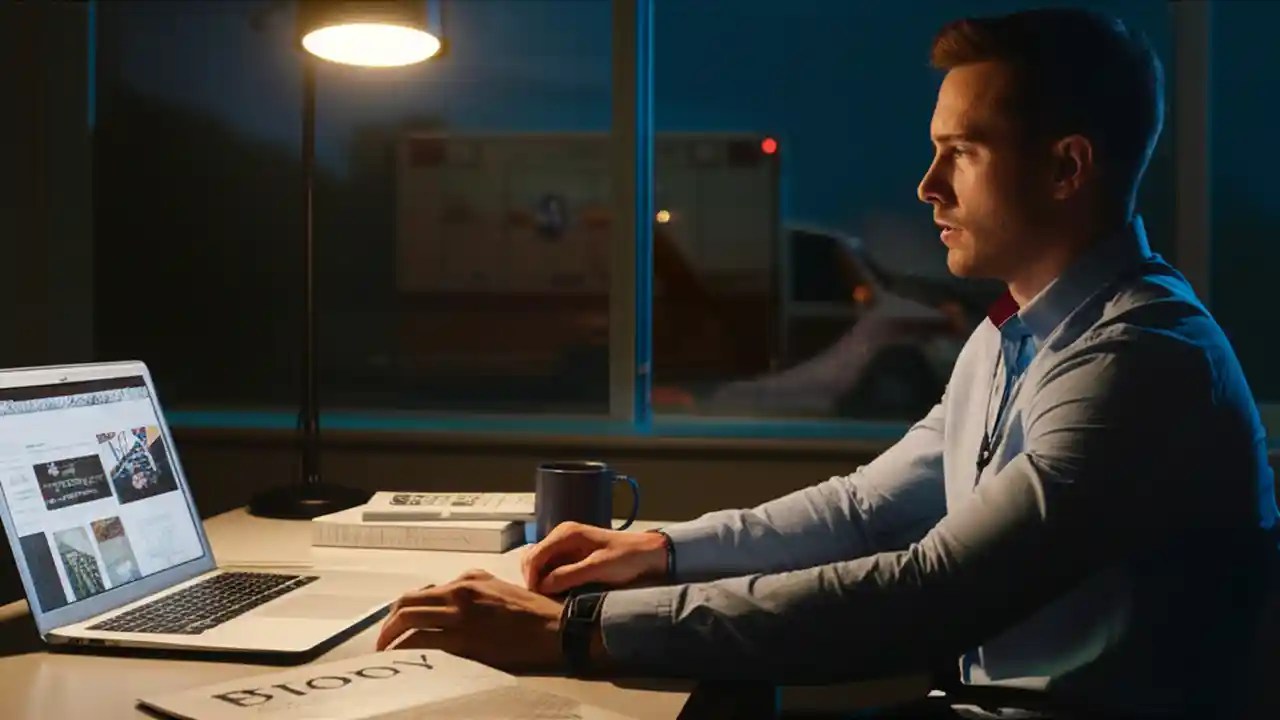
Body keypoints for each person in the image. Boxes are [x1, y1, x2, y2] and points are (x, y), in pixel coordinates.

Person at [375, 8, 1279, 718]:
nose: (928, 185)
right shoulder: (1017, 335)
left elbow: (925, 595)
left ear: (1067, 168)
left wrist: (576, 631)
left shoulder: (1139, 362)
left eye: (960, 152)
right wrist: (656, 550)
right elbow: (864, 511)